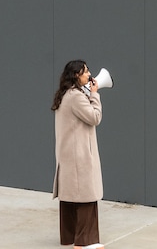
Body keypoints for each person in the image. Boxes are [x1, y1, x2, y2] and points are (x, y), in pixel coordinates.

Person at [52, 60, 104, 249]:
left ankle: (69, 238)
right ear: (76, 75)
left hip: (69, 154)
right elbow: (94, 117)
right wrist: (95, 95)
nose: (89, 75)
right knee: (86, 197)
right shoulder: (76, 97)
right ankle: (85, 241)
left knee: (70, 197)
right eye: (85, 72)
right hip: (80, 156)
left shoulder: (66, 94)